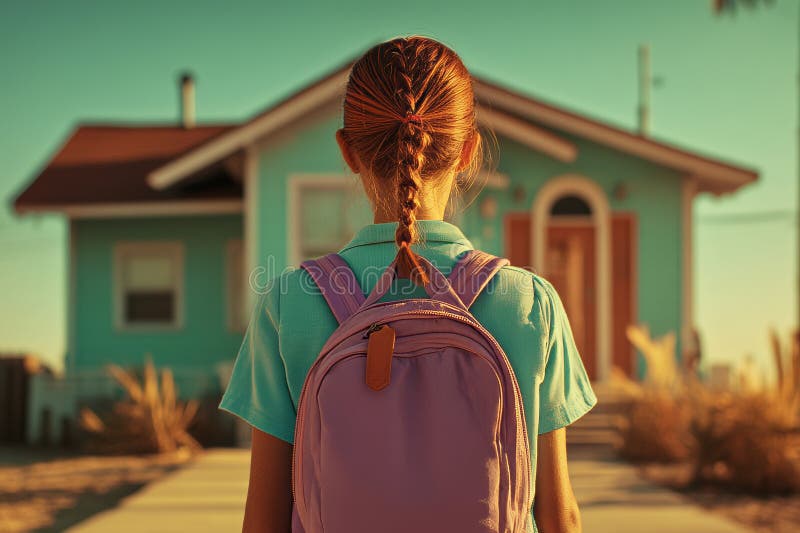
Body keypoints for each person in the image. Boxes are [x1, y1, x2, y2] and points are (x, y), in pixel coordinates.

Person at [219, 35, 597, 533]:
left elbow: (262, 521)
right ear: (468, 151)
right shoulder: (531, 303)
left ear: (348, 152)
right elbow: (558, 517)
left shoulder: (288, 303)